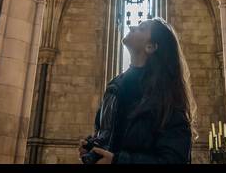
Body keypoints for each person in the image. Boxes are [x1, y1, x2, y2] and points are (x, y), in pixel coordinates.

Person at [80, 17, 194, 164]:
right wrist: (92, 147)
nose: (132, 27)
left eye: (141, 28)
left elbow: (174, 159)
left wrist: (117, 161)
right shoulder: (115, 85)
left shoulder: (166, 97)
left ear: (150, 47)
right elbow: (109, 135)